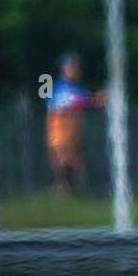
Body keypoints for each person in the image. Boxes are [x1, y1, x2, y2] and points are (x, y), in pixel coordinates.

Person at [45, 52, 103, 194]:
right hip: (60, 132)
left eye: (77, 67)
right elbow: (65, 104)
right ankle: (63, 190)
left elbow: (87, 102)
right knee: (65, 161)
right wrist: (93, 100)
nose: (76, 70)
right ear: (65, 69)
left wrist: (98, 100)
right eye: (72, 67)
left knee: (75, 162)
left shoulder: (78, 88)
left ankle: (74, 192)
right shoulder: (58, 87)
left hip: (74, 133)